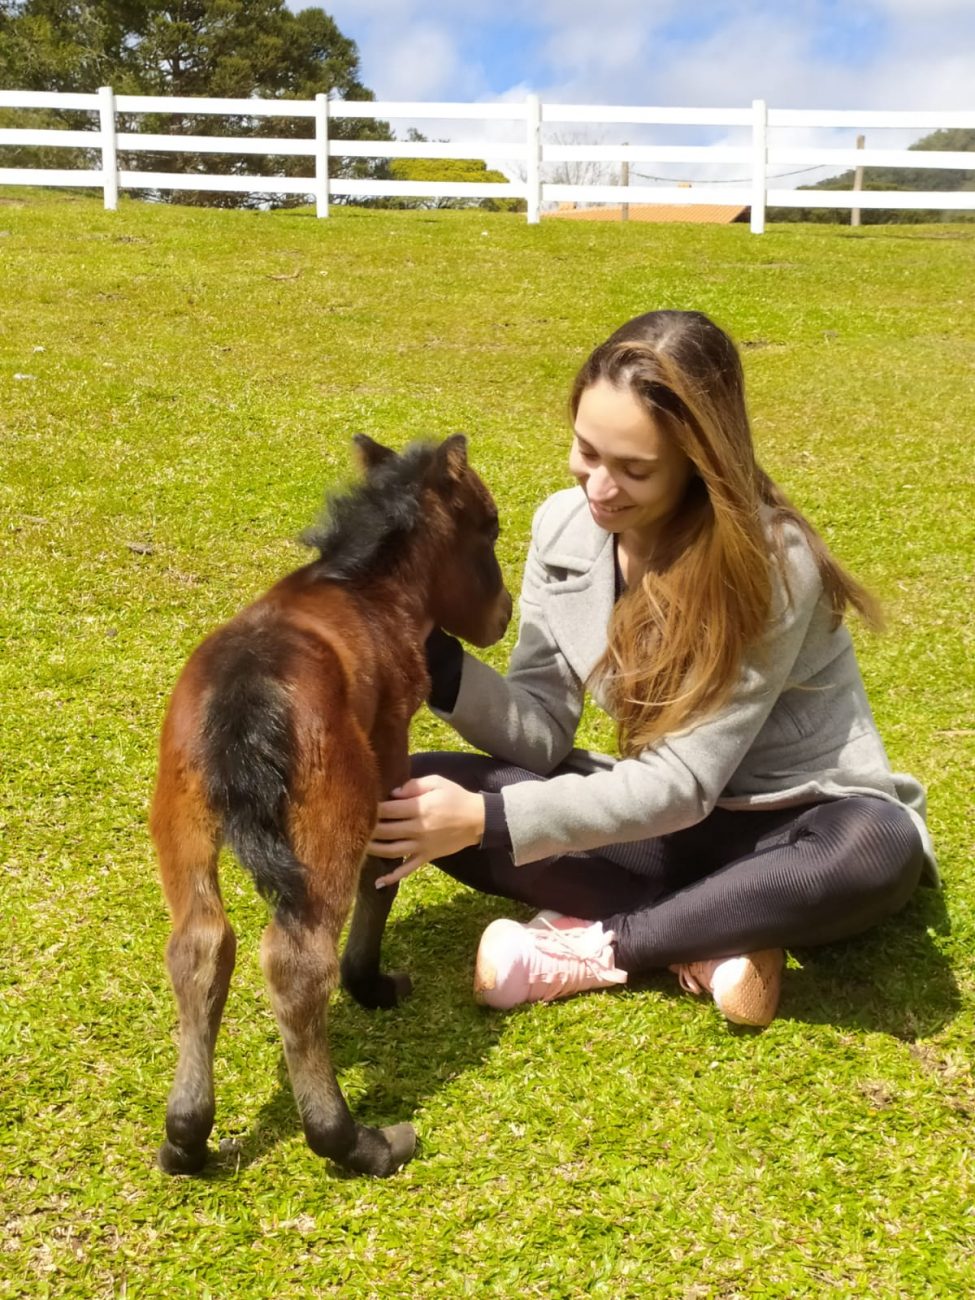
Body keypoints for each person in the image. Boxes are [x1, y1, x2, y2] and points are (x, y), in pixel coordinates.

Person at [367, 310, 936, 1028]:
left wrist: (486, 819)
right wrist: (435, 661)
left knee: (877, 848)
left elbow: (683, 784)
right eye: (586, 451)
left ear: (699, 467)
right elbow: (541, 730)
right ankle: (715, 934)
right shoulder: (562, 528)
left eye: (634, 470)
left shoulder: (768, 563)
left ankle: (600, 948)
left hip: (798, 821)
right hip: (662, 830)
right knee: (424, 789)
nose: (598, 488)